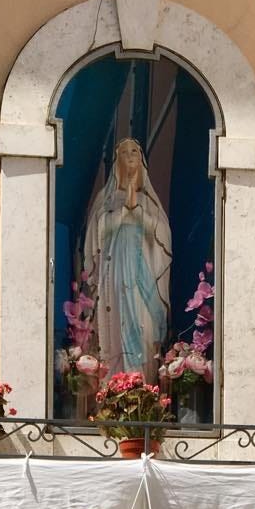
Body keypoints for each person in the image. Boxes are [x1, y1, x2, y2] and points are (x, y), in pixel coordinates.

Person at [83, 137, 172, 381]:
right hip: (115, 275)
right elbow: (96, 235)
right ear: (116, 161)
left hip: (143, 278)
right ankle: (115, 386)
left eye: (135, 151)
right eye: (124, 152)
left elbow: (163, 235)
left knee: (144, 330)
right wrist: (124, 210)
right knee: (115, 328)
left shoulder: (148, 201)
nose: (130, 155)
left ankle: (143, 387)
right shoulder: (107, 200)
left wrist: (138, 210)